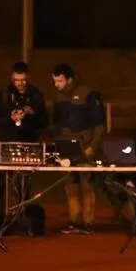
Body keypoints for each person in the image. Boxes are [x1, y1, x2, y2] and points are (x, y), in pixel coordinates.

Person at [51, 63, 105, 234]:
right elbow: (56, 124)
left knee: (87, 183)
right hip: (66, 148)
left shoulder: (89, 94)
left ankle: (88, 222)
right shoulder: (58, 98)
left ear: (70, 80)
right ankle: (75, 221)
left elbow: (99, 124)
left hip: (85, 146)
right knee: (70, 184)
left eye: (59, 81)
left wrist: (93, 146)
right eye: (55, 81)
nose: (56, 84)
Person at [0, 61, 48, 142]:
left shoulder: (35, 95)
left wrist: (32, 113)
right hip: (7, 142)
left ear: (28, 77)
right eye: (17, 80)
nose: (20, 83)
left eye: (23, 80)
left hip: (30, 142)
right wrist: (11, 118)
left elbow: (44, 122)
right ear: (12, 78)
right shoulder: (4, 94)